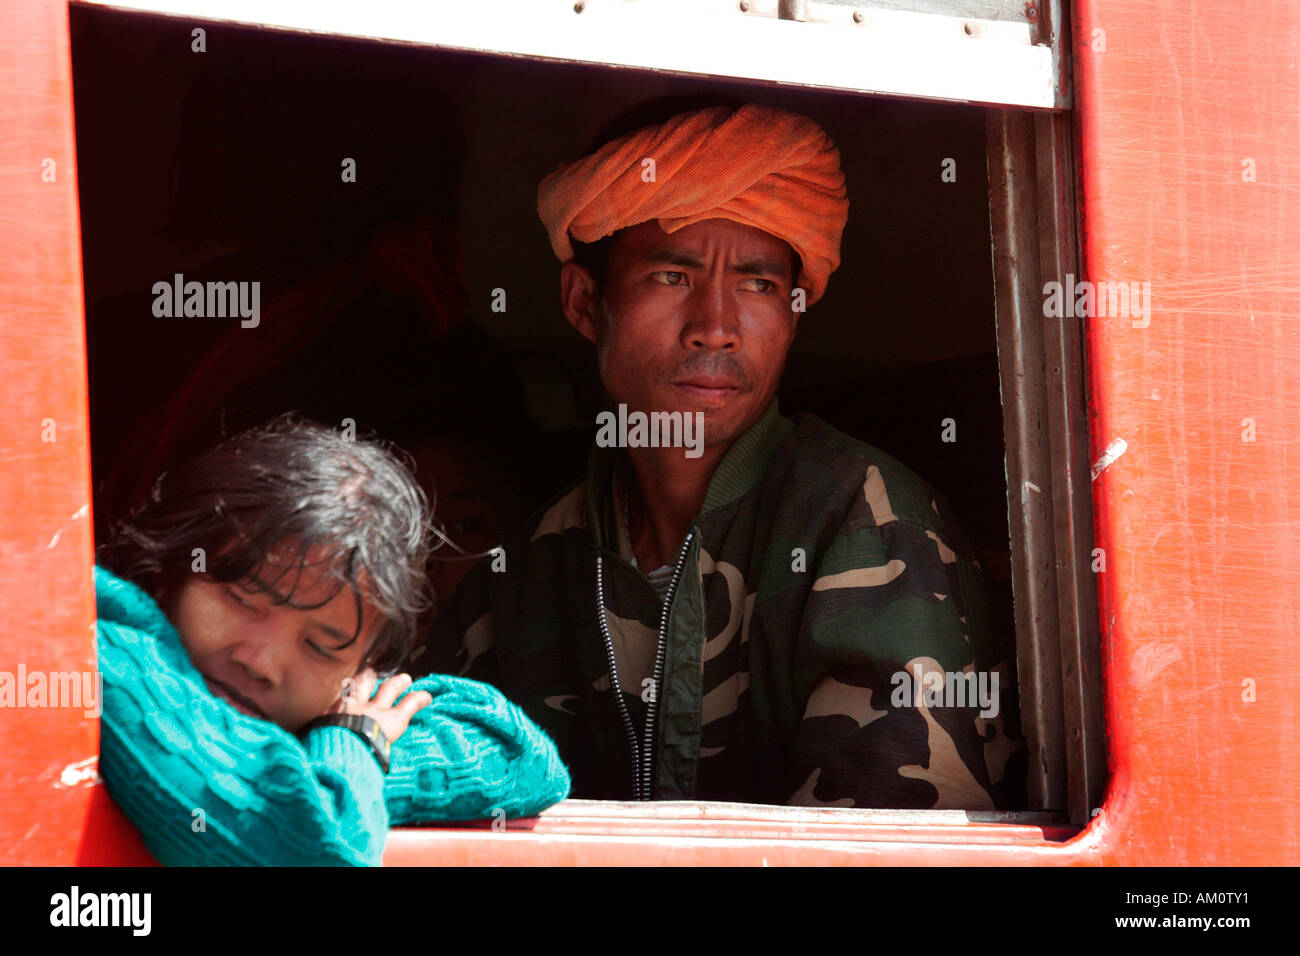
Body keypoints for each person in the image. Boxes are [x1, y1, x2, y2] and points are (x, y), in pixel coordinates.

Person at [414, 101, 1023, 810]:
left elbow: (886, 844)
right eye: (673, 277)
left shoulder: (863, 520)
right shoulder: (529, 567)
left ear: (794, 315)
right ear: (584, 303)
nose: (716, 327)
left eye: (757, 284)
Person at [95, 416, 569, 866]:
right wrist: (353, 747)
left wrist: (345, 740)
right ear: (169, 572)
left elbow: (521, 757)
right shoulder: (106, 660)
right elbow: (315, 851)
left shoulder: (339, 705)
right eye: (242, 600)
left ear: (362, 670)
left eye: (321, 647)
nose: (263, 663)